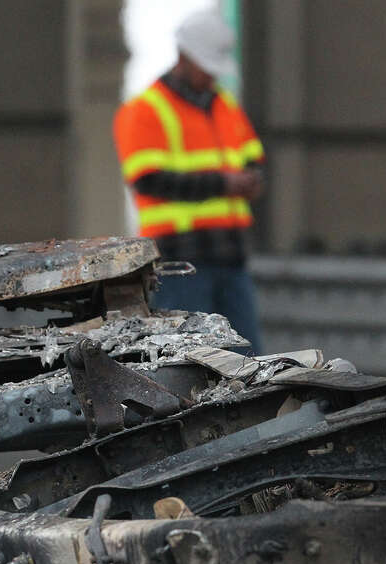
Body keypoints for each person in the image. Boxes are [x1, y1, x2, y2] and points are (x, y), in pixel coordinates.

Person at [113, 6, 265, 351]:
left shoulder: (224, 107)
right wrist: (223, 184)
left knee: (248, 361)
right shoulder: (144, 111)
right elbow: (149, 180)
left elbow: (252, 155)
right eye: (207, 67)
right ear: (185, 56)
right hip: (179, 264)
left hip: (230, 256)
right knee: (189, 363)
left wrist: (252, 177)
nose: (212, 76)